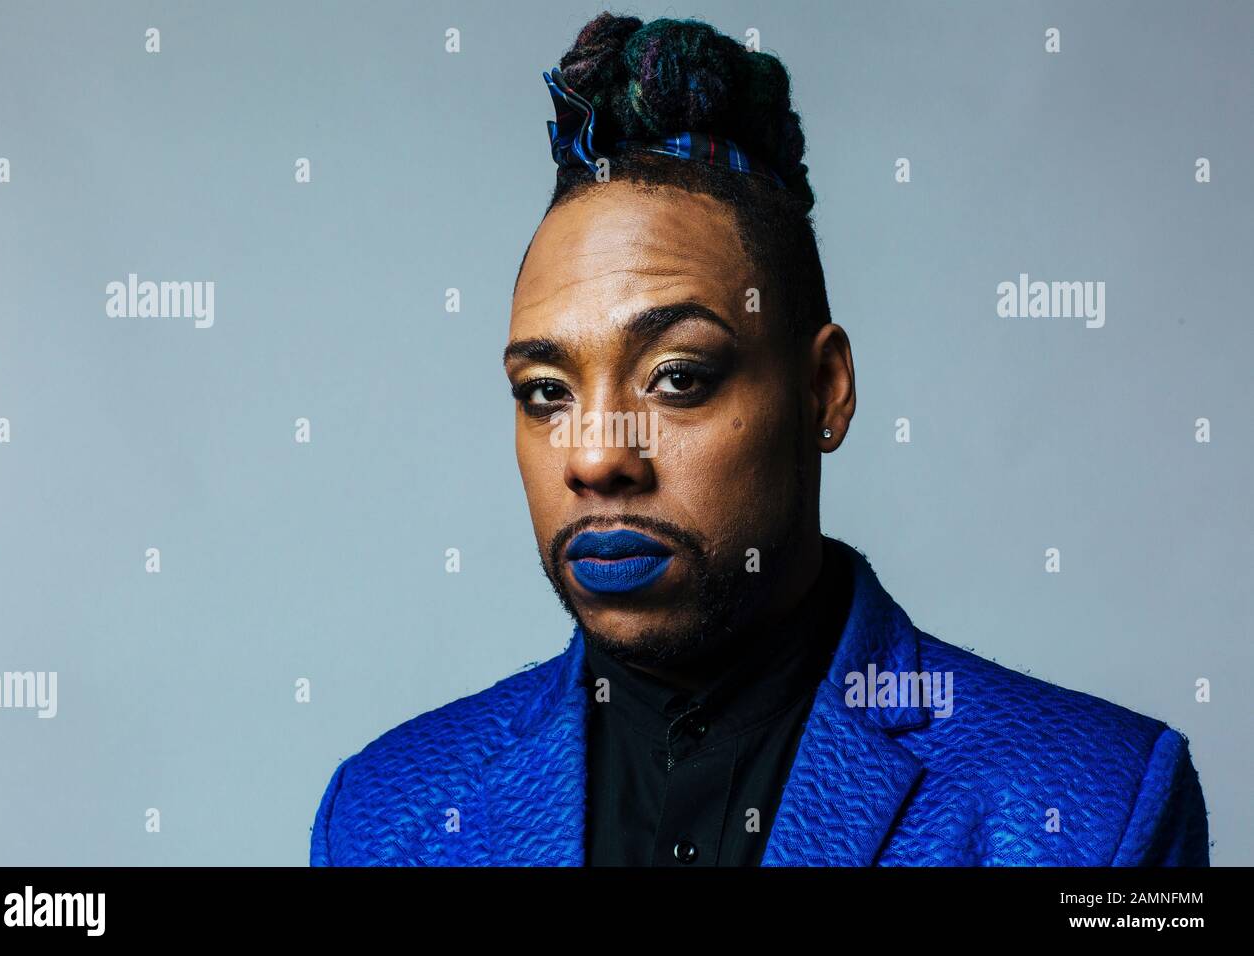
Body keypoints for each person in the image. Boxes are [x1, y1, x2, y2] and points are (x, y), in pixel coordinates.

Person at [310, 12, 1208, 866]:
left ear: (825, 390)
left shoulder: (1097, 810)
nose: (594, 455)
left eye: (678, 378)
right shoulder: (385, 812)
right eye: (545, 392)